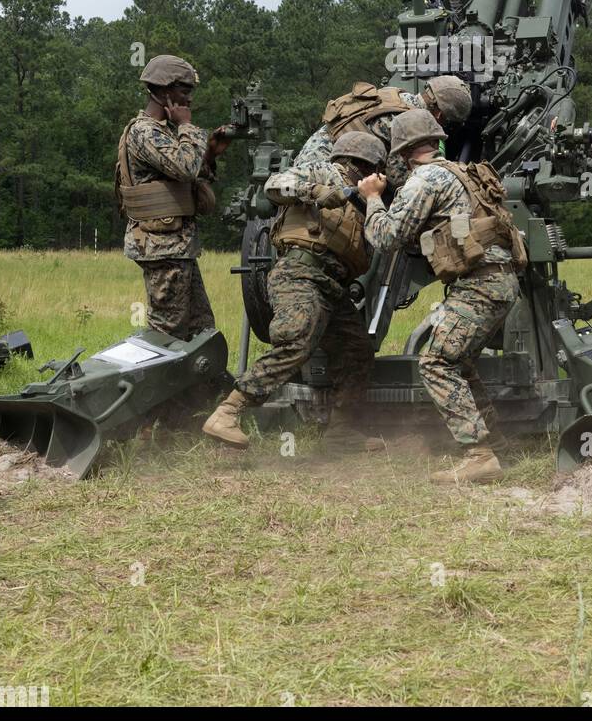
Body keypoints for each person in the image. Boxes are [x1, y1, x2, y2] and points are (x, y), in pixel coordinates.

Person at [358, 111, 525, 485]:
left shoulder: (426, 179)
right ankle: (496, 444)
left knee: (435, 362)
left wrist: (372, 198)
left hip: (480, 283)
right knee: (460, 362)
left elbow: (387, 238)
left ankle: (479, 455)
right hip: (500, 281)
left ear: (401, 153)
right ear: (436, 141)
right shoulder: (462, 172)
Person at [203, 132, 387, 449]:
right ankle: (228, 411)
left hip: (332, 285)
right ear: (361, 163)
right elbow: (274, 187)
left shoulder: (366, 199)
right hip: (300, 271)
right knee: (295, 339)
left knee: (357, 351)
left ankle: (341, 432)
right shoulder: (323, 171)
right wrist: (315, 192)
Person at [116, 55, 231, 340]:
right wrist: (187, 127)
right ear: (165, 92)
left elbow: (187, 173)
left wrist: (211, 154)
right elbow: (184, 167)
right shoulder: (145, 133)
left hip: (176, 248)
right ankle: (151, 384)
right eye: (185, 91)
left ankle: (201, 385)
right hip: (162, 248)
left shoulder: (163, 133)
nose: (190, 100)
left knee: (199, 330)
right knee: (166, 335)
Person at [295, 76, 473, 187]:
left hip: (311, 158)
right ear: (440, 115)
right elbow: (400, 180)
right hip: (321, 171)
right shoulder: (407, 122)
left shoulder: (396, 95)